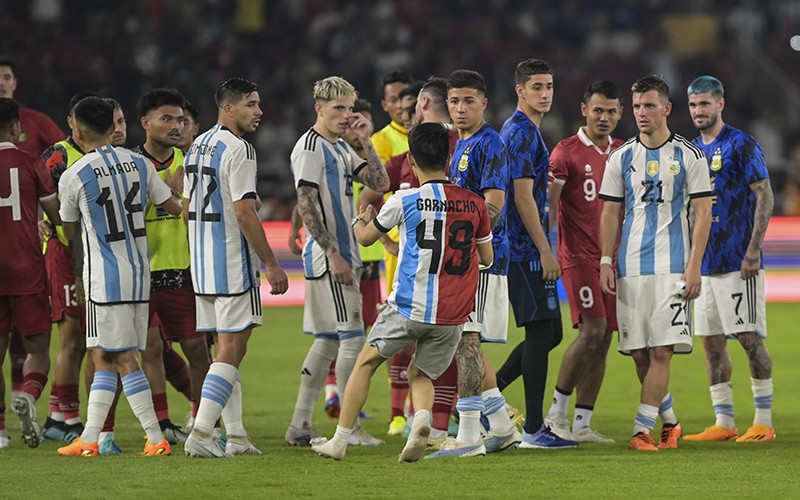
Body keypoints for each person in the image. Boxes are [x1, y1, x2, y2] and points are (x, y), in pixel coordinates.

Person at [311, 122, 494, 462]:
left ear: (410, 160)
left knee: (365, 364)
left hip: (408, 306)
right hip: (452, 313)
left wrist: (360, 219)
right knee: (420, 372)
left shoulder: (403, 199)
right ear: (450, 158)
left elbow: (366, 238)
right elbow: (487, 258)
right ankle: (422, 420)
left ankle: (338, 441)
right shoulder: (475, 204)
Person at [56, 96, 182, 457]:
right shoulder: (140, 165)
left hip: (105, 279)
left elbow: (69, 230)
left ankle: (155, 438)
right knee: (102, 356)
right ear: (114, 125)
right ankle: (91, 438)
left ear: (76, 130)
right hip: (140, 275)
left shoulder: (74, 175)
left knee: (122, 356)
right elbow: (173, 206)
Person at [598, 75, 712, 451]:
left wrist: (694, 265)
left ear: (667, 108)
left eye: (649, 106)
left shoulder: (689, 155)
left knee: (662, 351)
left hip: (673, 268)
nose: (642, 113)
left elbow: (702, 214)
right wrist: (604, 260)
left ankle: (640, 430)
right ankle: (671, 422)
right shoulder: (621, 156)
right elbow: (611, 213)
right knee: (639, 353)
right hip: (630, 268)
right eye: (637, 107)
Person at [182, 77, 289, 458]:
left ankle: (237, 435)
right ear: (228, 108)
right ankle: (200, 433)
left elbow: (188, 205)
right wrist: (271, 263)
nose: (259, 111)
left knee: (227, 351)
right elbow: (244, 212)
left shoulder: (197, 145)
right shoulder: (240, 149)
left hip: (202, 263)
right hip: (230, 261)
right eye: (251, 104)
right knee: (231, 348)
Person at [285, 76, 389, 448]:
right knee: (353, 339)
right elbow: (306, 201)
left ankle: (299, 424)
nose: (347, 115)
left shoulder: (340, 148)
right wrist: (332, 253)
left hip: (340, 253)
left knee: (328, 340)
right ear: (319, 108)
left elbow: (381, 180)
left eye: (350, 108)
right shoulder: (310, 147)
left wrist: (364, 141)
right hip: (332, 254)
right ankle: (351, 427)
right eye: (339, 109)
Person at [426, 69, 519, 458]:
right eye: (454, 101)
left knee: (465, 340)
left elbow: (493, 204)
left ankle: (466, 435)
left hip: (479, 259)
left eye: (468, 101)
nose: (460, 109)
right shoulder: (459, 144)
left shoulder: (490, 144)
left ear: (484, 103)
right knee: (467, 341)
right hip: (465, 257)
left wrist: (463, 241)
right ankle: (500, 426)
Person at [683, 76, 776, 443]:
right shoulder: (690, 151)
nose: (699, 111)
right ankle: (724, 422)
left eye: (705, 104)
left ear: (721, 104)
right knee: (711, 343)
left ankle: (764, 422)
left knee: (749, 337)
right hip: (705, 265)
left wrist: (753, 250)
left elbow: (764, 196)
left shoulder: (741, 143)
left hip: (739, 261)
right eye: (693, 105)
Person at [493, 59, 575, 449]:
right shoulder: (523, 133)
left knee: (550, 332)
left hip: (520, 246)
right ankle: (532, 430)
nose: (545, 93)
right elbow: (523, 197)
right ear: (520, 91)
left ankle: (483, 398)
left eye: (549, 85)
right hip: (524, 248)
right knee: (542, 332)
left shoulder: (522, 131)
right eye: (537, 87)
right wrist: (545, 250)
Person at [544, 80, 625, 443]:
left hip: (612, 259)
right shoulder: (566, 152)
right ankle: (555, 414)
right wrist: (548, 249)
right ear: (583, 110)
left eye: (611, 111)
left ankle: (582, 423)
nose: (604, 117)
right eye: (598, 110)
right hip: (577, 256)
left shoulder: (625, 152)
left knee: (604, 337)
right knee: (591, 331)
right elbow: (548, 204)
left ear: (620, 113)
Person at [133, 88, 210, 444]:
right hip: (143, 273)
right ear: (145, 123)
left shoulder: (194, 160)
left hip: (183, 270)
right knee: (149, 349)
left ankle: (200, 416)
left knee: (198, 349)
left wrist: (174, 193)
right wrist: (165, 189)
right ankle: (162, 424)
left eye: (180, 120)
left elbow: (202, 212)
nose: (176, 126)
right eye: (167, 119)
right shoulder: (130, 165)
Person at [40, 91, 101, 443]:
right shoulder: (60, 155)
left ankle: (57, 414)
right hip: (66, 253)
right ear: (72, 125)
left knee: (84, 339)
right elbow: (39, 192)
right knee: (73, 338)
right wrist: (39, 220)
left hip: (91, 254)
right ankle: (69, 421)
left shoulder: (107, 157)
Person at [0, 98, 61, 449]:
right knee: (38, 348)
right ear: (13, 128)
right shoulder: (29, 162)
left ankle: (0, 432)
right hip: (27, 269)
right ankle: (28, 394)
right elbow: (55, 215)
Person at [0, 57, 65, 156]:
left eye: (7, 77)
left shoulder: (37, 120)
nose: (1, 83)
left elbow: (66, 149)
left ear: (14, 83)